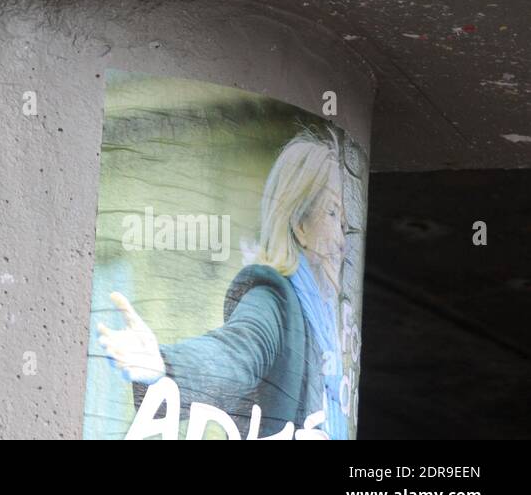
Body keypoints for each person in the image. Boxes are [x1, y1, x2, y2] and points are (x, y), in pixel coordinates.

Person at [98, 126, 353, 438]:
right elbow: (233, 355)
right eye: (331, 214)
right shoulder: (275, 299)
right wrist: (162, 365)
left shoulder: (329, 325)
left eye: (345, 224)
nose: (342, 240)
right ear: (300, 225)